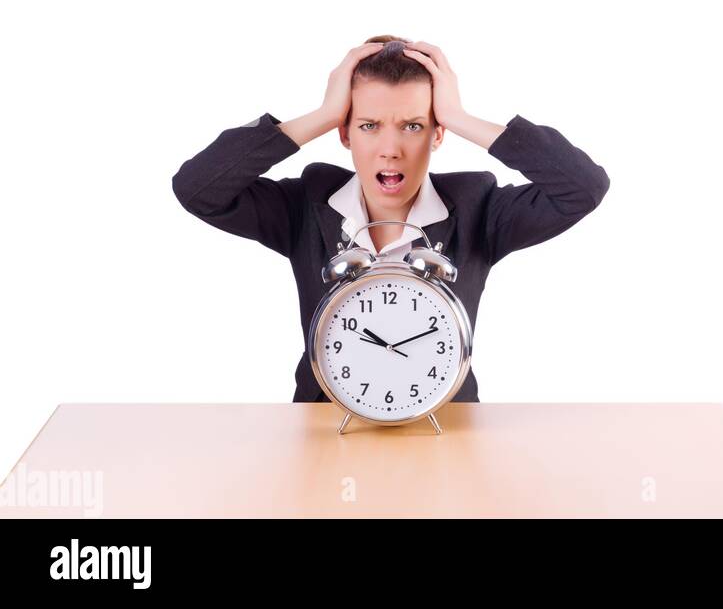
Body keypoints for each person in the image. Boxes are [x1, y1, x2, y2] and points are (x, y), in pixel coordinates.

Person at [173, 36, 610, 402]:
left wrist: (459, 117)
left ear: (438, 134)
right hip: (324, 426)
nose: (390, 148)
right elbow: (197, 188)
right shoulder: (306, 204)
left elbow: (583, 187)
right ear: (344, 133)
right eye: (368, 125)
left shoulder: (479, 208)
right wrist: (322, 115)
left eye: (413, 126)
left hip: (448, 428)